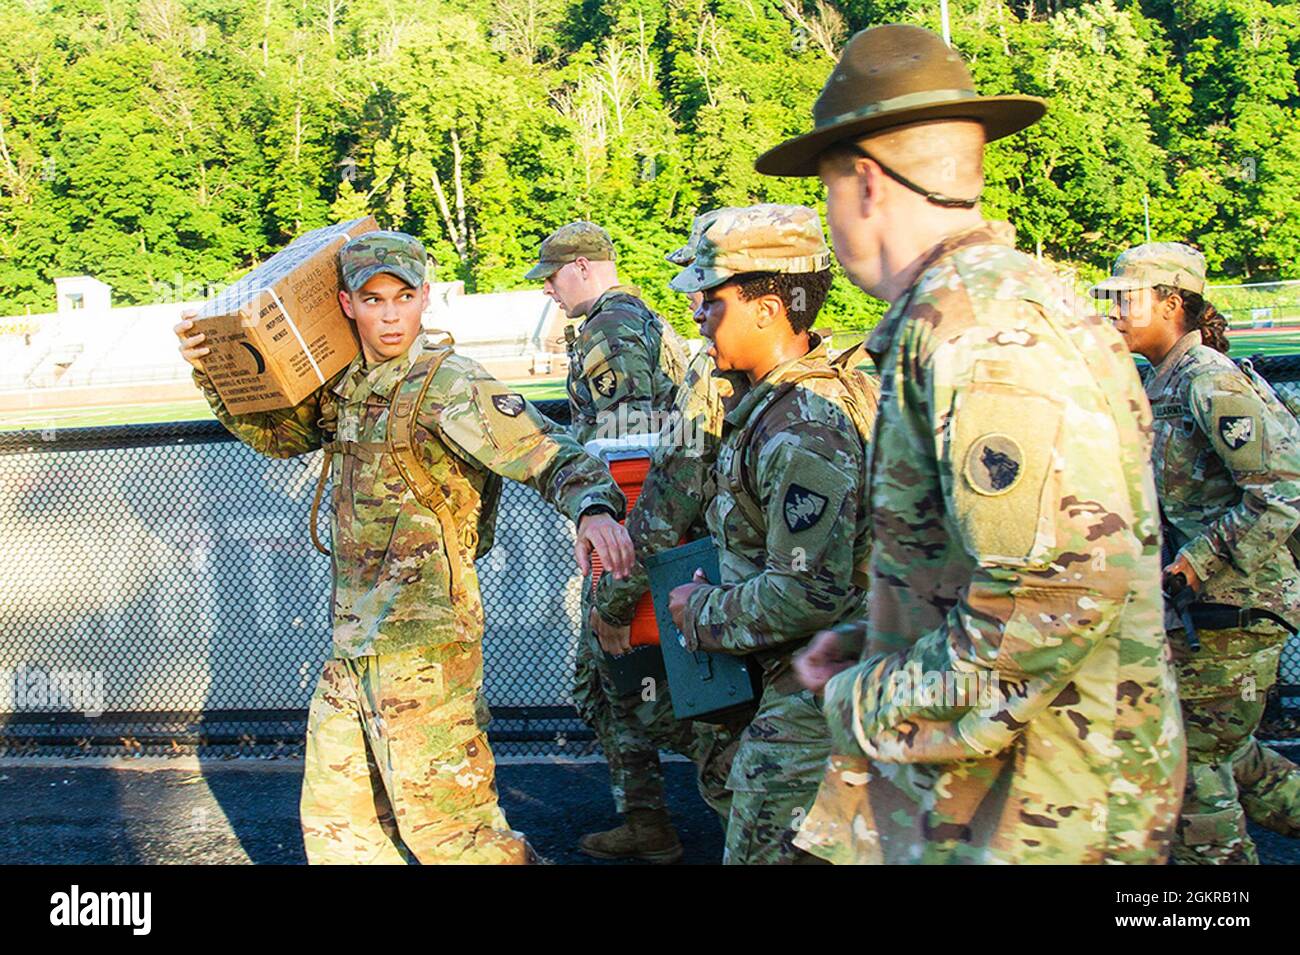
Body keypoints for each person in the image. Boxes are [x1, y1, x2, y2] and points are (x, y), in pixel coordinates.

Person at [763, 23, 1185, 864]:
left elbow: (1055, 590)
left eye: (825, 190)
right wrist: (876, 638)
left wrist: (868, 699)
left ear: (867, 185)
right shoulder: (994, 303)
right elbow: (997, 563)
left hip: (1034, 816)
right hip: (1011, 798)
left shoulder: (979, 326)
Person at [177, 230, 634, 864]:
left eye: (403, 297)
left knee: (453, 833)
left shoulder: (448, 384)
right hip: (354, 640)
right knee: (344, 827)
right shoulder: (345, 386)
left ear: (425, 298)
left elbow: (547, 451)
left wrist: (594, 509)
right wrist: (214, 368)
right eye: (373, 300)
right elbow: (277, 437)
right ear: (347, 304)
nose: (390, 316)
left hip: (424, 643)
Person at [663, 203, 878, 864]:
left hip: (816, 685)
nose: (698, 313)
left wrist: (700, 612)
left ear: (768, 309)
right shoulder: (772, 405)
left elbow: (807, 593)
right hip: (802, 673)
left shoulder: (802, 426)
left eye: (712, 300)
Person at [1094, 241, 1300, 864]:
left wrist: (1196, 563)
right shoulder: (1163, 380)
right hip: (1200, 612)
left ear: (1170, 304)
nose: (1114, 313)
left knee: (1188, 766)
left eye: (1126, 300)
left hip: (1232, 609)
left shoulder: (1207, 379)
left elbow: (1282, 492)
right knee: (1229, 753)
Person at [525, 220, 696, 862]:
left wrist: (618, 569)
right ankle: (649, 822)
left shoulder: (611, 328)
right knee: (614, 684)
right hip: (635, 533)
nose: (547, 290)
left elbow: (632, 457)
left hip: (629, 538)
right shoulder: (639, 320)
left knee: (628, 682)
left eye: (551, 276)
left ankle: (746, 781)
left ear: (582, 267)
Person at [591, 209, 757, 826]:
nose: (693, 305)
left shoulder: (712, 377)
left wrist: (613, 605)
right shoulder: (831, 384)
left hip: (723, 597)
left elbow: (667, 504)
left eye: (705, 289)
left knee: (721, 754)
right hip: (787, 613)